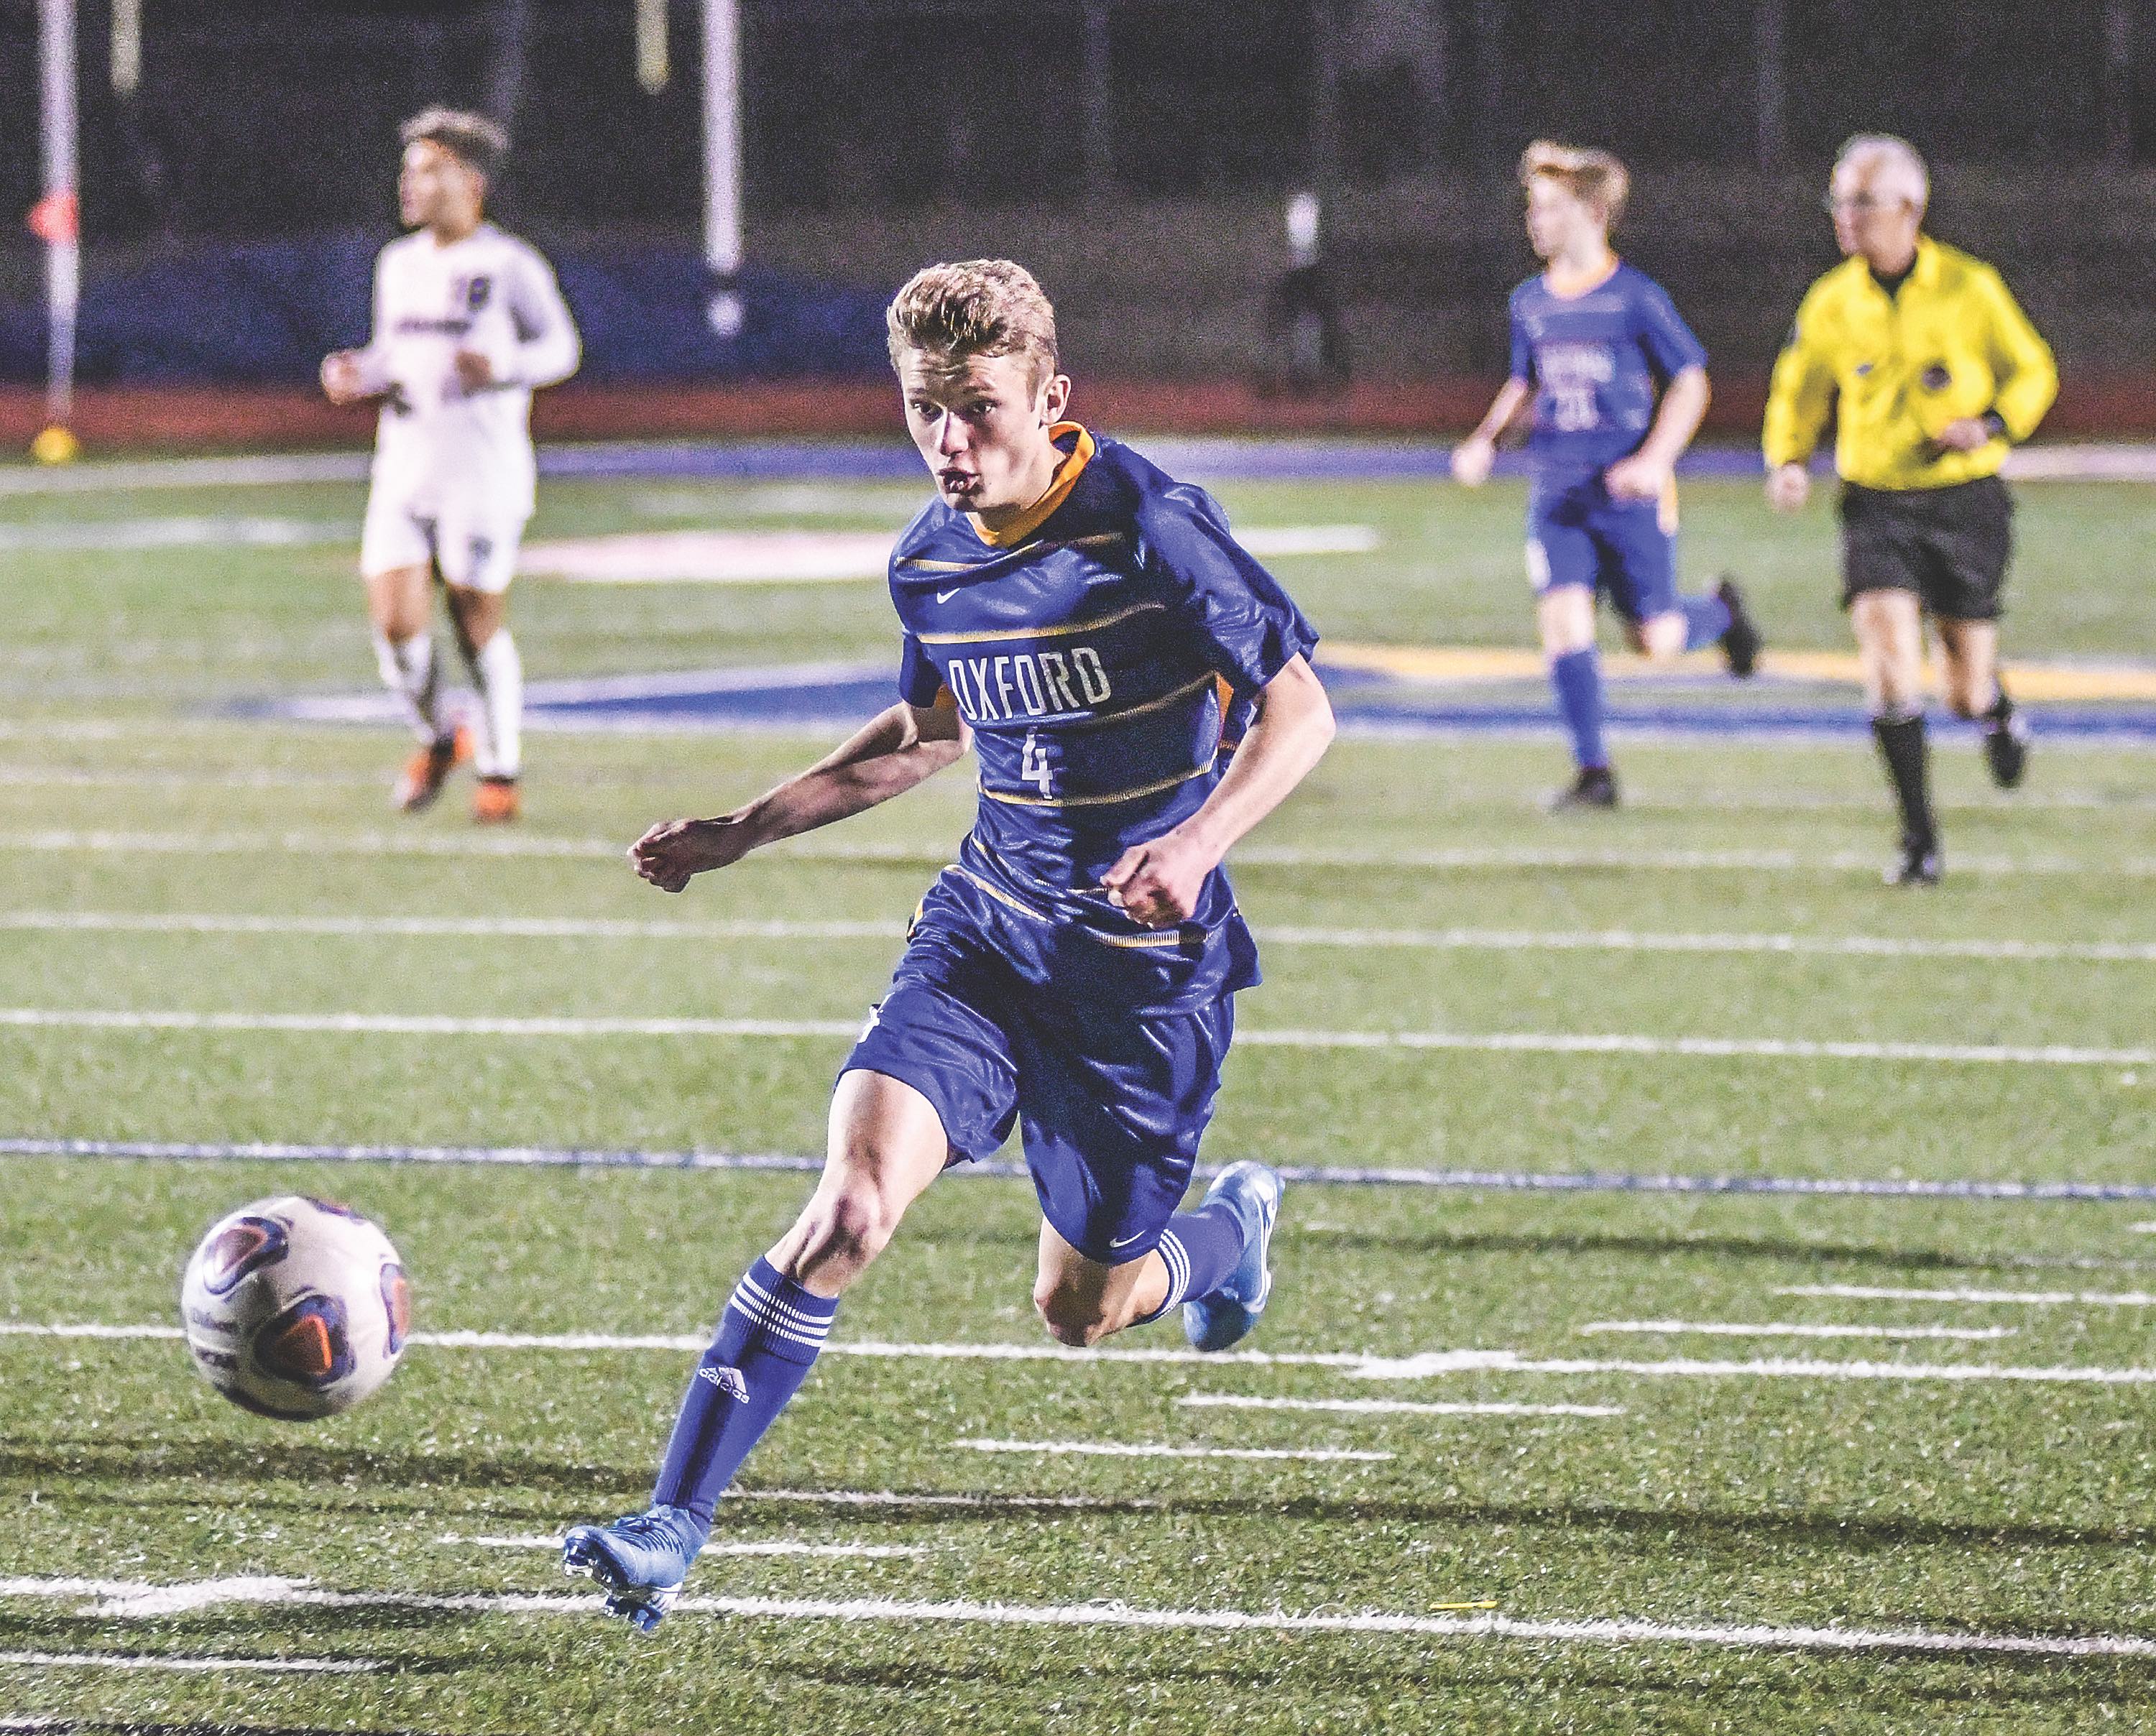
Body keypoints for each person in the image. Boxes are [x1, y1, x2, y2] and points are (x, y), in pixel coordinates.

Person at [560, 259, 1336, 1632]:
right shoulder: (929, 560)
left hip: (1140, 981)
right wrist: (745, 828)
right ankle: (672, 1522)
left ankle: (1228, 1237)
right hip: (983, 938)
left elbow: (1302, 711)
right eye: (926, 409)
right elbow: (928, 736)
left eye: (978, 407)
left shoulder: (1150, 525)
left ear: (1051, 396)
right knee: (851, 1208)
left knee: (1082, 1311)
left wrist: (1196, 844)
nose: (951, 440)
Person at [1764, 134, 2055, 886]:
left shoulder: (1968, 286)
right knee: (1890, 666)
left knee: (1962, 690)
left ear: (1911, 207)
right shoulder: (1831, 301)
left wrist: (1993, 424)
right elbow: (1798, 388)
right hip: (1876, 506)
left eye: (1862, 201)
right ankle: (1919, 841)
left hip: (1965, 503)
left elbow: (2033, 369)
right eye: (1839, 201)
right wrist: (1788, 459)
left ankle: (1994, 710)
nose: (1846, 216)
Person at [1453, 141, 1761, 811]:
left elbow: (1691, 382)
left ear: (1593, 213)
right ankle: (1594, 771)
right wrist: (1485, 441)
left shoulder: (1635, 299)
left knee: (1657, 639)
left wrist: (1654, 461)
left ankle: (1723, 614)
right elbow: (1525, 383)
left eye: (1549, 208)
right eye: (1533, 208)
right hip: (1559, 497)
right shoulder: (1529, 302)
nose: (1534, 221)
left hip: (1627, 500)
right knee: (1564, 624)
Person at [320, 108, 580, 824]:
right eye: (408, 170)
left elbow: (562, 349)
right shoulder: (398, 264)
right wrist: (358, 372)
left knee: (473, 621)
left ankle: (501, 769)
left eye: (429, 170)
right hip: (403, 469)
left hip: (482, 474)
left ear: (471, 182)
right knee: (395, 629)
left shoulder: (509, 265)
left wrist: (504, 366)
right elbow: (395, 353)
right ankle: (440, 735)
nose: (410, 184)